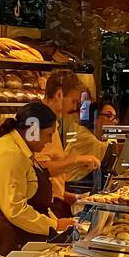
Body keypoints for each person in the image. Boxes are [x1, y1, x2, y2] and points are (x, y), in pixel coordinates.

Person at [0, 102, 77, 257]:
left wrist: (54, 221)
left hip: (10, 230)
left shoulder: (21, 151)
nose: (50, 141)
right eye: (49, 134)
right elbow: (15, 209)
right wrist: (54, 225)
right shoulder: (10, 154)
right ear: (33, 130)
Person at [35, 70, 103, 209]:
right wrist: (77, 159)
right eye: (73, 102)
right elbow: (39, 170)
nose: (74, 108)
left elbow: (50, 180)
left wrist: (72, 198)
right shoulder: (37, 123)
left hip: (54, 202)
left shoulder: (52, 123)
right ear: (59, 95)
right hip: (43, 207)